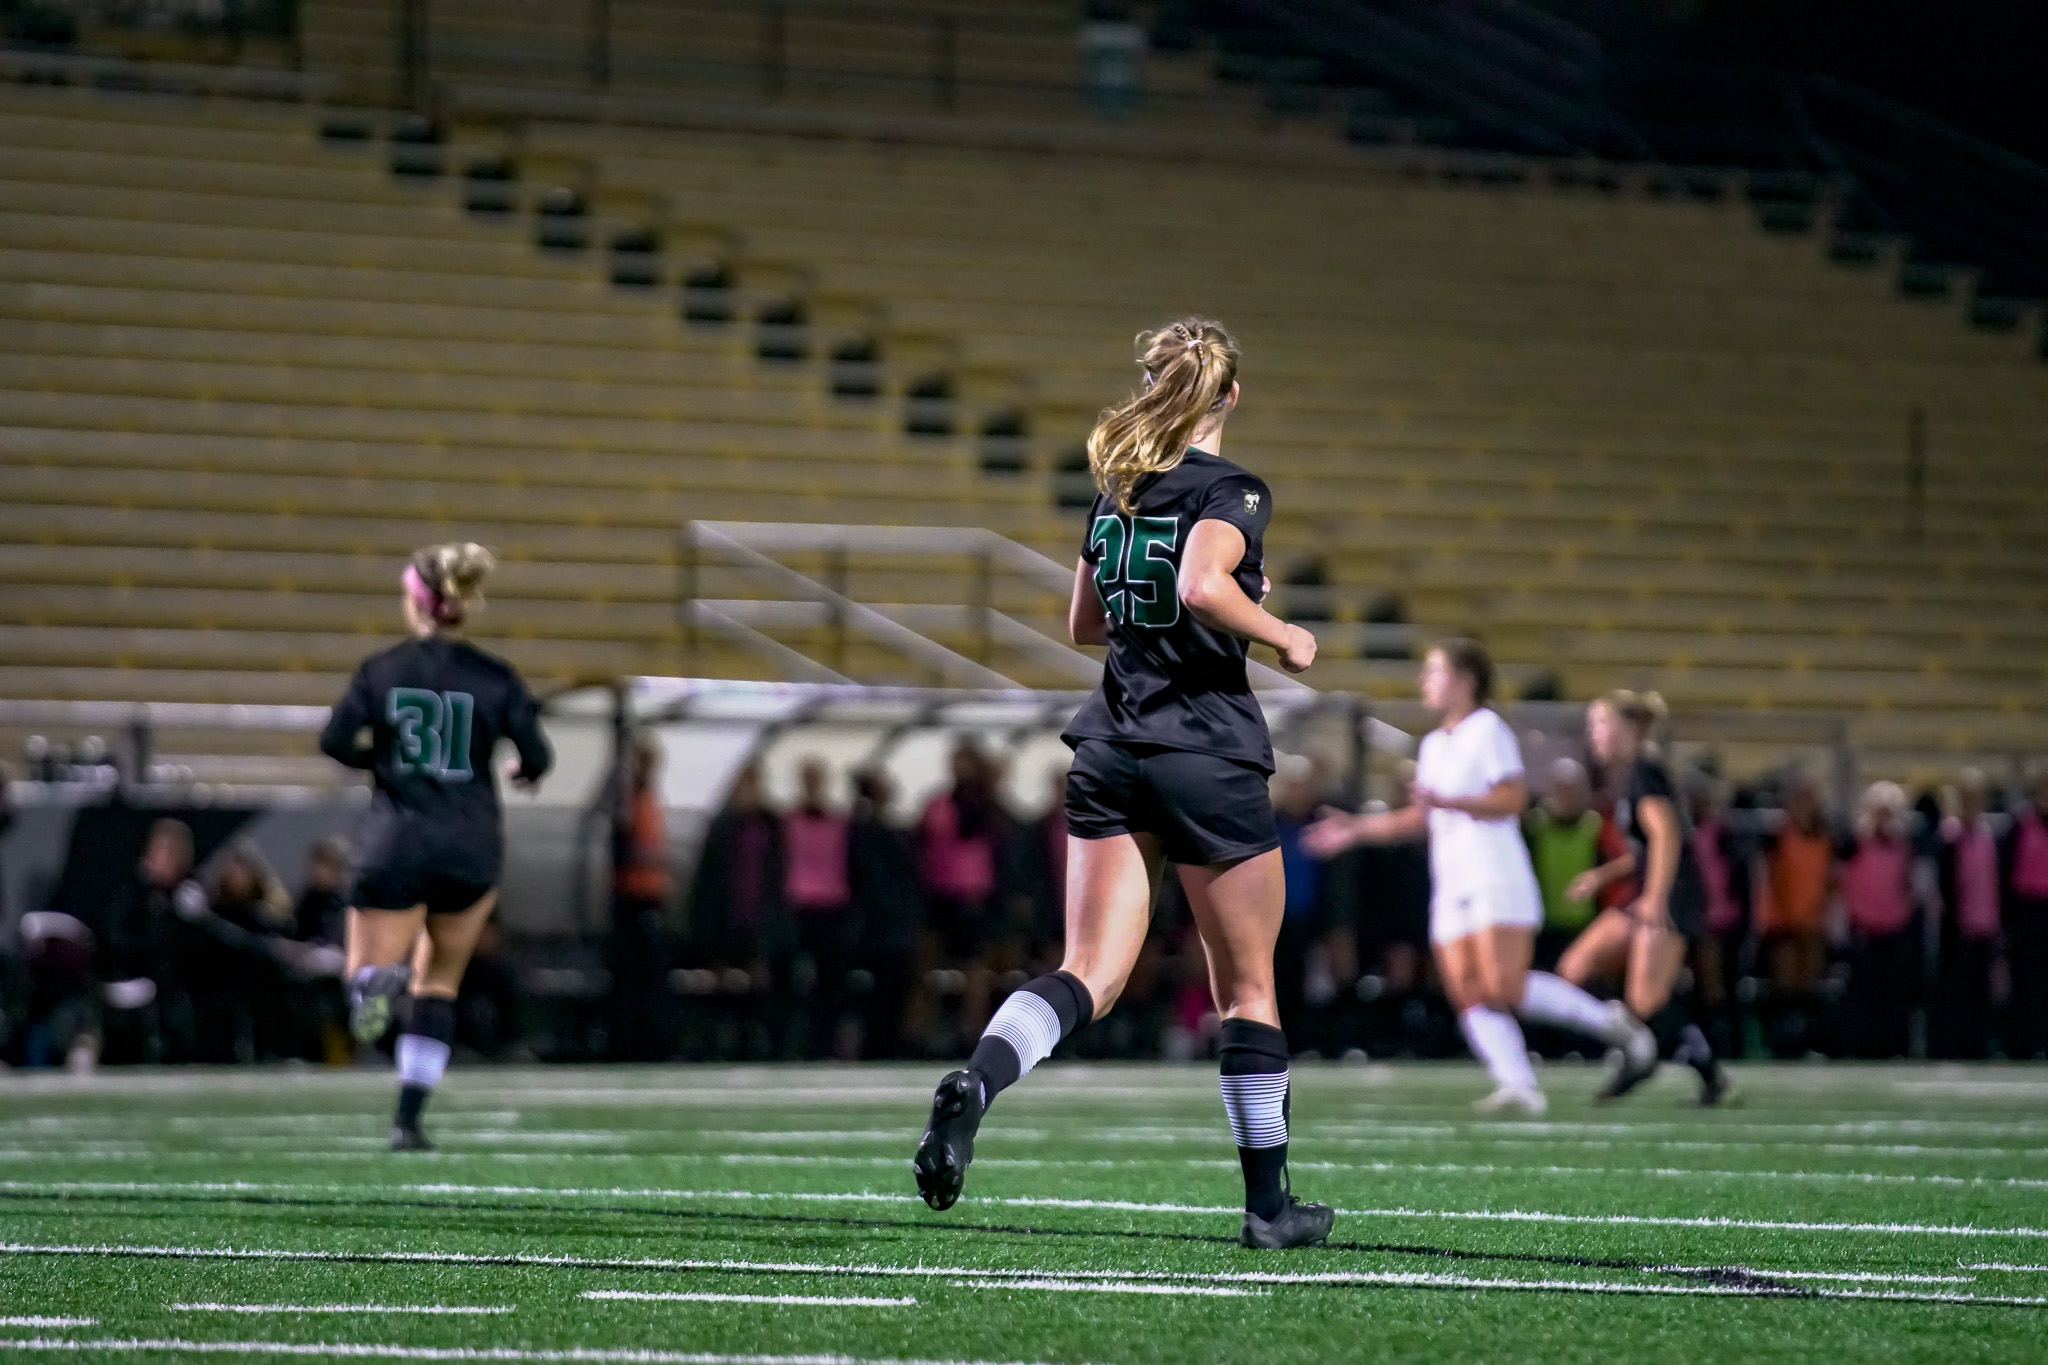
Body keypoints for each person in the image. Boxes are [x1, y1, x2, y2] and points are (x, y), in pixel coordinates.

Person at [912, 318, 1332, 1249]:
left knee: (1088, 973)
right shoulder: (1233, 488)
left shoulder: (1119, 490)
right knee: (1248, 989)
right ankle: (1270, 1208)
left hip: (1110, 744)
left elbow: (1083, 623)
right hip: (1208, 750)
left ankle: (980, 1078)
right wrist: (1282, 634)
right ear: (1230, 395)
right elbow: (1201, 585)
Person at [1305, 641, 1651, 1114]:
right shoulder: (1434, 743)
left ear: (1465, 681)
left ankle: (1614, 1025)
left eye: (1434, 672)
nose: (1425, 682)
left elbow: (1511, 799)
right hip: (1452, 878)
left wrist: (1450, 802)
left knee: (1504, 986)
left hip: (1494, 872)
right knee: (1466, 990)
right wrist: (1356, 830)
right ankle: (1518, 1085)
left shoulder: (1488, 729)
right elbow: (1424, 817)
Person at [319, 542, 552, 1150]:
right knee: (439, 983)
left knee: (363, 979)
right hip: (469, 845)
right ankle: (408, 1121)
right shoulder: (495, 676)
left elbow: (334, 741)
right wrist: (521, 772)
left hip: (396, 839)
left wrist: (384, 758)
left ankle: (374, 985)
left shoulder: (382, 670)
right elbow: (537, 755)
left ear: (417, 602)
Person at [1557, 692, 1733, 1104]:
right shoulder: (1629, 775)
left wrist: (1655, 899)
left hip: (1671, 892)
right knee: (1575, 968)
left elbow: (1666, 836)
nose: (1593, 734)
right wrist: (1603, 875)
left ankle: (1703, 1072)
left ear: (1628, 729)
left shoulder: (1644, 771)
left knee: (1646, 1000)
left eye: (1601, 724)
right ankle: (1638, 1050)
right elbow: (1645, 849)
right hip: (1647, 888)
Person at [608, 737, 675, 1062]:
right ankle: (634, 1042)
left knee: (653, 974)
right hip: (634, 898)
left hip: (651, 896)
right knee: (636, 975)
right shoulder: (627, 800)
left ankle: (651, 1040)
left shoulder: (648, 798)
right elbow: (626, 850)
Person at [784, 757, 854, 1058]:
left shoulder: (838, 822)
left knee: (830, 981)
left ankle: (825, 1043)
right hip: (798, 906)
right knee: (795, 979)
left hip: (831, 906)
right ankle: (796, 1043)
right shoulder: (789, 822)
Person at [1933, 770, 2002, 1058]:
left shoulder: (1991, 836)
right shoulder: (1947, 836)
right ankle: (1951, 1046)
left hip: (1986, 926)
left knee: (1981, 992)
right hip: (1955, 928)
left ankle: (1979, 1046)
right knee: (1954, 991)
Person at [1524, 757, 1603, 969]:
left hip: (1584, 928)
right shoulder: (1535, 825)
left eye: (1573, 789)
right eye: (1561, 788)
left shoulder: (1594, 826)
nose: (1567, 795)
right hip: (1543, 928)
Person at [2003, 768, 2048, 1058]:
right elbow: (2007, 872)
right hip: (2026, 911)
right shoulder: (2020, 824)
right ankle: (2022, 1043)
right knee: (2026, 981)